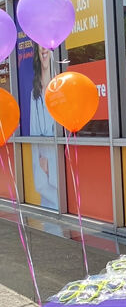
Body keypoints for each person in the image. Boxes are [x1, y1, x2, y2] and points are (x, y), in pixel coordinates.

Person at [29, 43, 58, 209]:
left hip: (58, 171)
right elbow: (34, 136)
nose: (43, 50)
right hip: (44, 178)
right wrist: (42, 164)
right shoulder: (34, 95)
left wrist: (51, 164)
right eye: (40, 47)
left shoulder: (59, 89)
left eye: (46, 46)